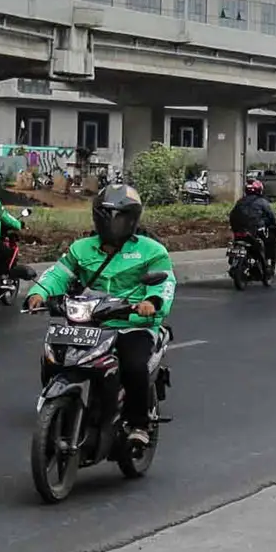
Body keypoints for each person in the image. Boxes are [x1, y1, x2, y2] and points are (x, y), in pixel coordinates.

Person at [25, 184, 175, 448]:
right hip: (89, 323)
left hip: (131, 324)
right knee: (54, 354)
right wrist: (39, 293)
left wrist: (152, 302)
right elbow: (58, 274)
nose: (113, 223)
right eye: (107, 216)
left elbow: (164, 284)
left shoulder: (152, 251)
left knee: (134, 366)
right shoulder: (81, 249)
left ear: (132, 219)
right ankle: (57, 401)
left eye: (120, 217)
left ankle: (138, 424)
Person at [227, 177, 276, 279]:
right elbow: (271, 217)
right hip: (253, 232)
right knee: (264, 243)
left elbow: (232, 215)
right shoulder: (262, 202)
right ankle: (266, 267)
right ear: (260, 190)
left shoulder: (240, 201)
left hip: (237, 231)